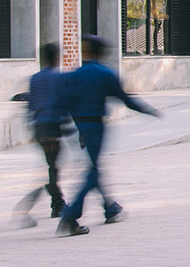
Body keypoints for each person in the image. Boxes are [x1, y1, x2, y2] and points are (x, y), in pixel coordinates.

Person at [58, 34, 161, 237]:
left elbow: (65, 103)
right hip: (96, 127)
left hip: (81, 126)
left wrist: (76, 128)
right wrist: (149, 111)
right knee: (93, 172)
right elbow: (126, 99)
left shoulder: (72, 76)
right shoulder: (105, 74)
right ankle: (70, 216)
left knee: (94, 169)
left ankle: (110, 208)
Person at [12, 43, 71, 228]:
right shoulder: (59, 78)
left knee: (51, 167)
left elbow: (31, 104)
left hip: (39, 127)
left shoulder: (35, 78)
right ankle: (29, 208)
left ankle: (57, 203)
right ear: (56, 57)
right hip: (52, 128)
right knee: (51, 170)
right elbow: (63, 103)